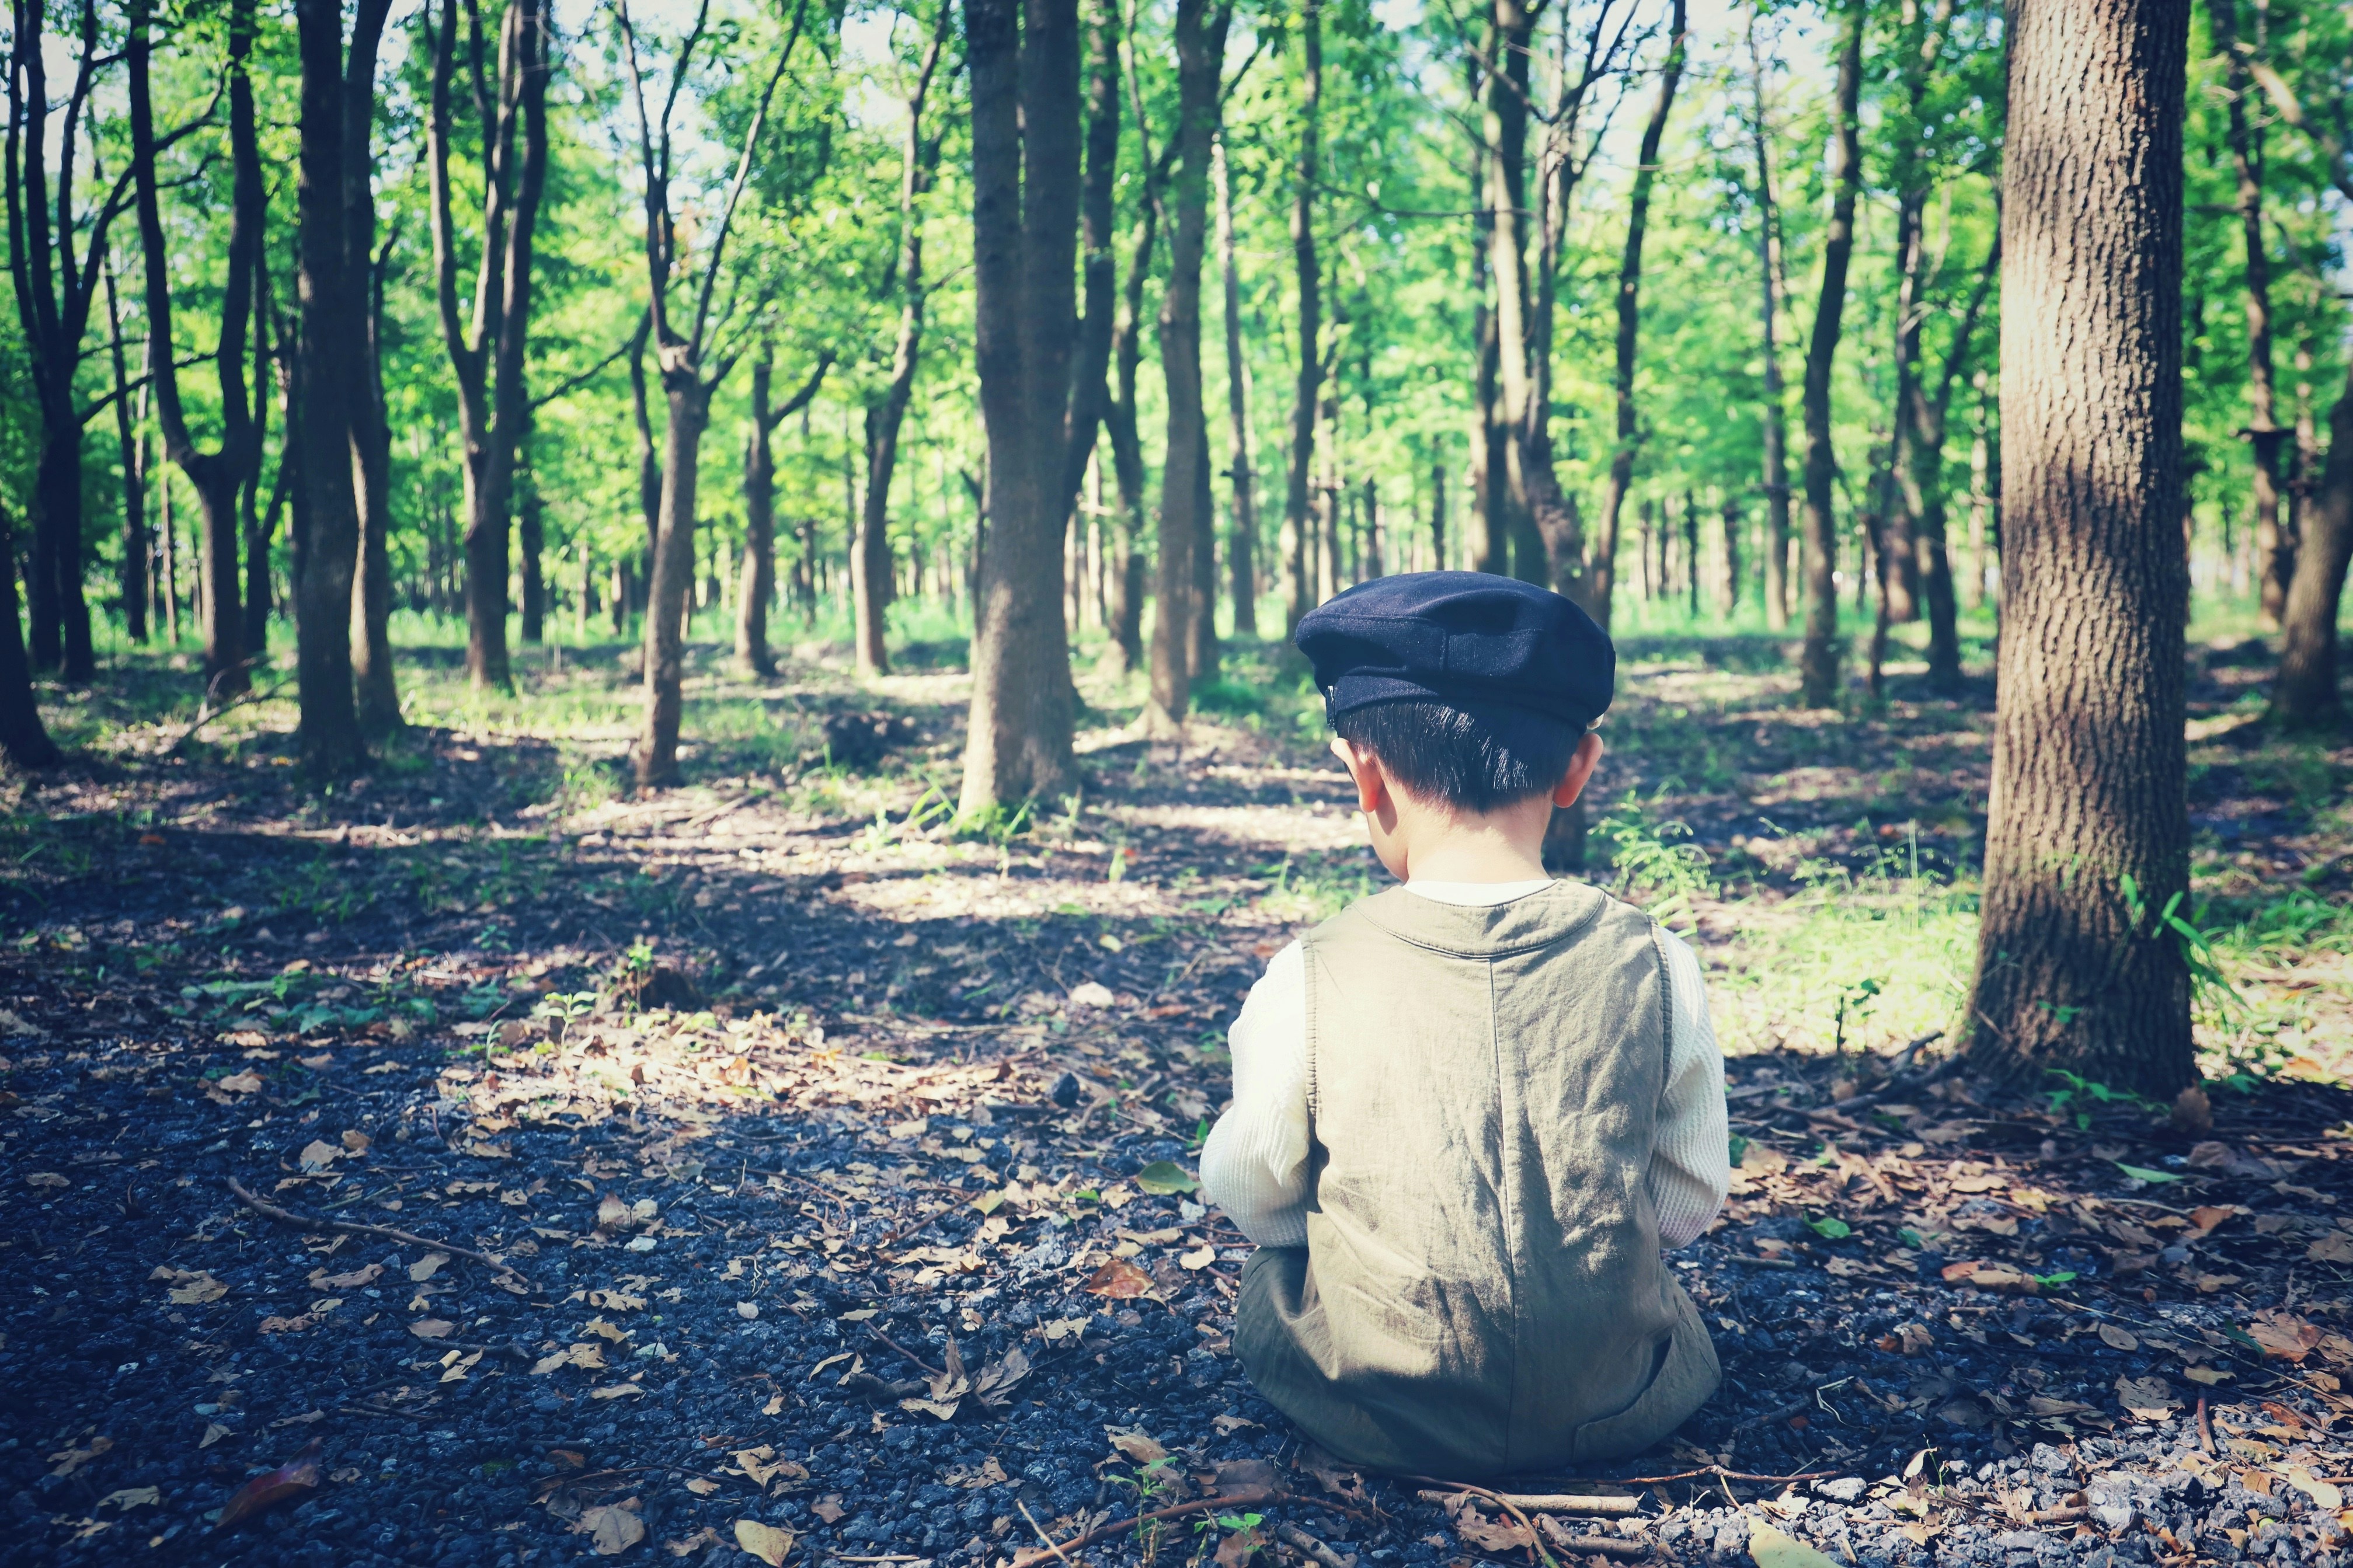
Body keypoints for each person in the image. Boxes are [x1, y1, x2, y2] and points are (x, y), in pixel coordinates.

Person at [1200, 572, 1728, 1479]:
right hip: (1613, 1400)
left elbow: (1249, 1185)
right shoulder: (1656, 958)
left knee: (1270, 1280)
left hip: (1372, 1406)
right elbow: (1689, 1191)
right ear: (1577, 767)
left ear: (1364, 774)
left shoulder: (1314, 969)